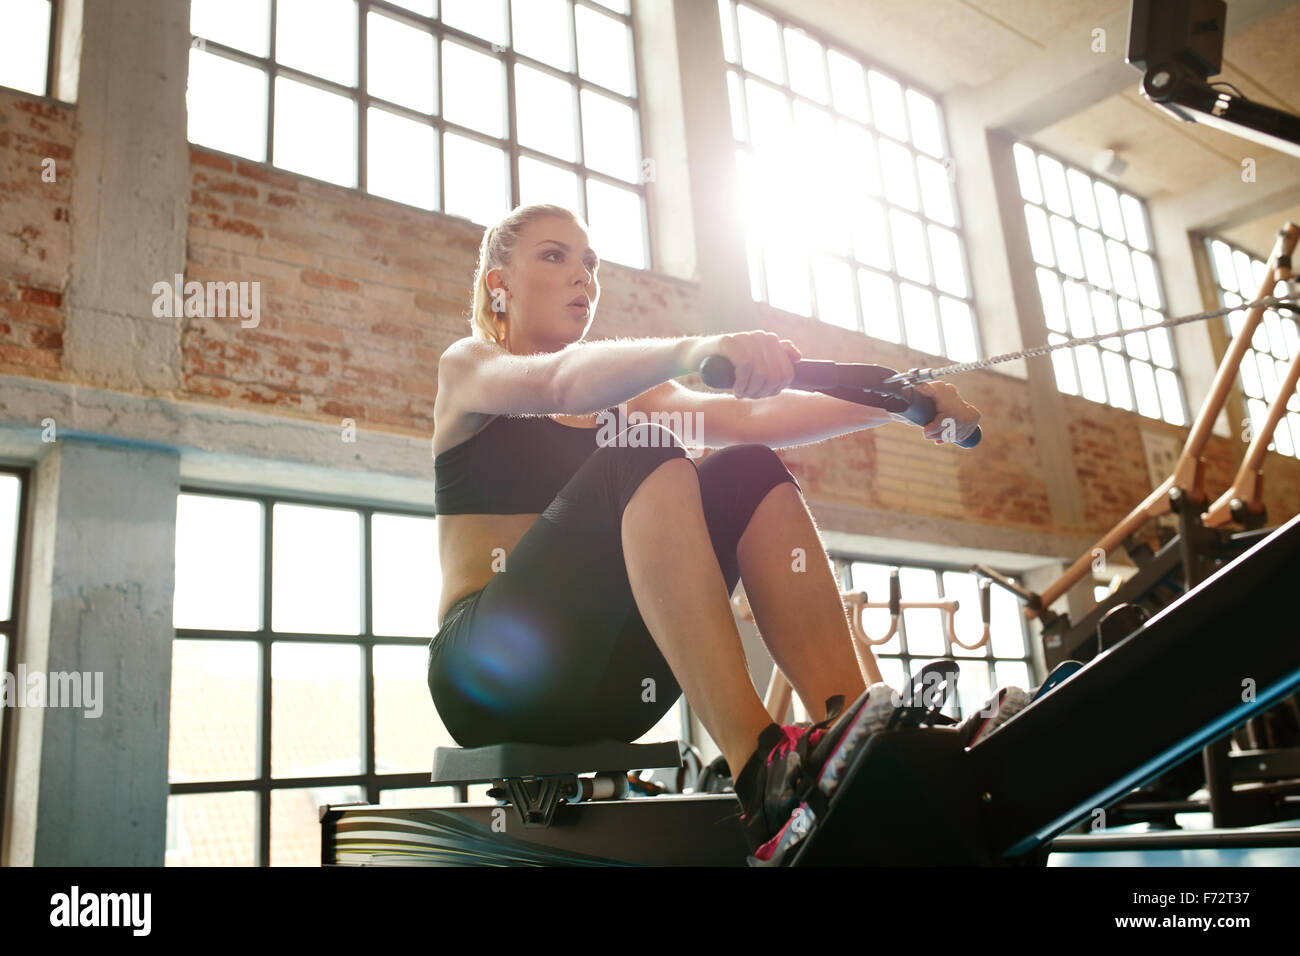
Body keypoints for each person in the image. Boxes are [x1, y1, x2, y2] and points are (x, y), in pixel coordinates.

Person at [427, 203, 983, 861]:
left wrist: (903, 403)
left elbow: (753, 422)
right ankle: (760, 772)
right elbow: (559, 382)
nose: (583, 276)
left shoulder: (629, 403)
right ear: (499, 285)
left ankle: (854, 739)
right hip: (488, 679)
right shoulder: (469, 368)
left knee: (746, 468)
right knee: (643, 447)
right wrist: (693, 351)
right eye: (555, 256)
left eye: (591, 263)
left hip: (613, 688)